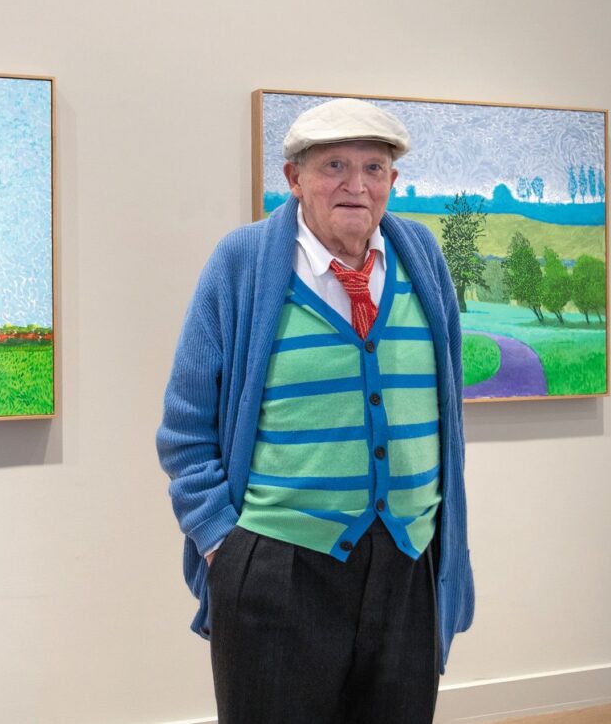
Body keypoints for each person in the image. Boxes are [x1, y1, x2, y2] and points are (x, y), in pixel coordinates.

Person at [156, 97, 474, 723]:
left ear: (394, 182)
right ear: (293, 178)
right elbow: (184, 428)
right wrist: (223, 542)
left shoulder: (423, 260)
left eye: (375, 168)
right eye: (334, 165)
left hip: (409, 562)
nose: (356, 185)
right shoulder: (242, 263)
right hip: (279, 566)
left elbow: (449, 414)